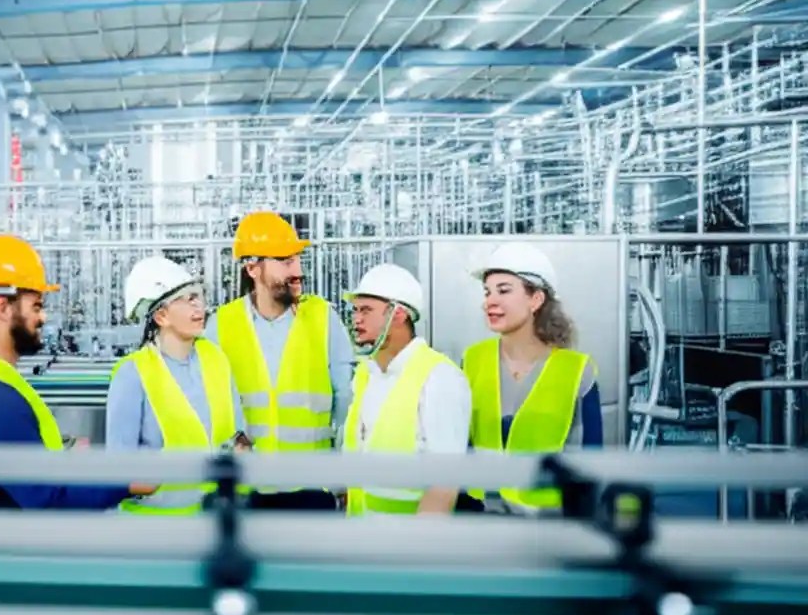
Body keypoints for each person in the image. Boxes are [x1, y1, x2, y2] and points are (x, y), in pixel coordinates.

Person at [0, 233, 154, 514]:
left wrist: (57, 455)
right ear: (3, 308)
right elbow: (47, 499)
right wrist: (126, 483)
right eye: (36, 306)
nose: (43, 318)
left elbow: (9, 471)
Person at [204, 211, 355, 510]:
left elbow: (347, 403)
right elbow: (210, 404)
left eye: (298, 260)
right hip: (246, 488)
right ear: (252, 268)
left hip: (313, 487)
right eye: (286, 262)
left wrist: (345, 476)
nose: (297, 270)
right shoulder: (220, 325)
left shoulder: (324, 319)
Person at [462, 243, 603, 515]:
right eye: (487, 292)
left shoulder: (577, 370)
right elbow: (459, 447)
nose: (489, 301)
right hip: (481, 518)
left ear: (536, 300)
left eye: (504, 290)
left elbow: (589, 463)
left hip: (549, 525)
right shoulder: (472, 360)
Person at [106, 256, 247, 515]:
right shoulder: (132, 374)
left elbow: (239, 437)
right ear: (161, 315)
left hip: (215, 521)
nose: (200, 307)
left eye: (199, 297)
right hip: (158, 531)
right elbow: (120, 469)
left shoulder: (215, 359)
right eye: (189, 299)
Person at [341, 264, 471, 516]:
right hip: (361, 542)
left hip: (405, 547)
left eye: (366, 310)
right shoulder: (365, 375)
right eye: (355, 310)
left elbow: (444, 484)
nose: (356, 318)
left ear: (399, 314)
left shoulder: (439, 378)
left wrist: (415, 547)